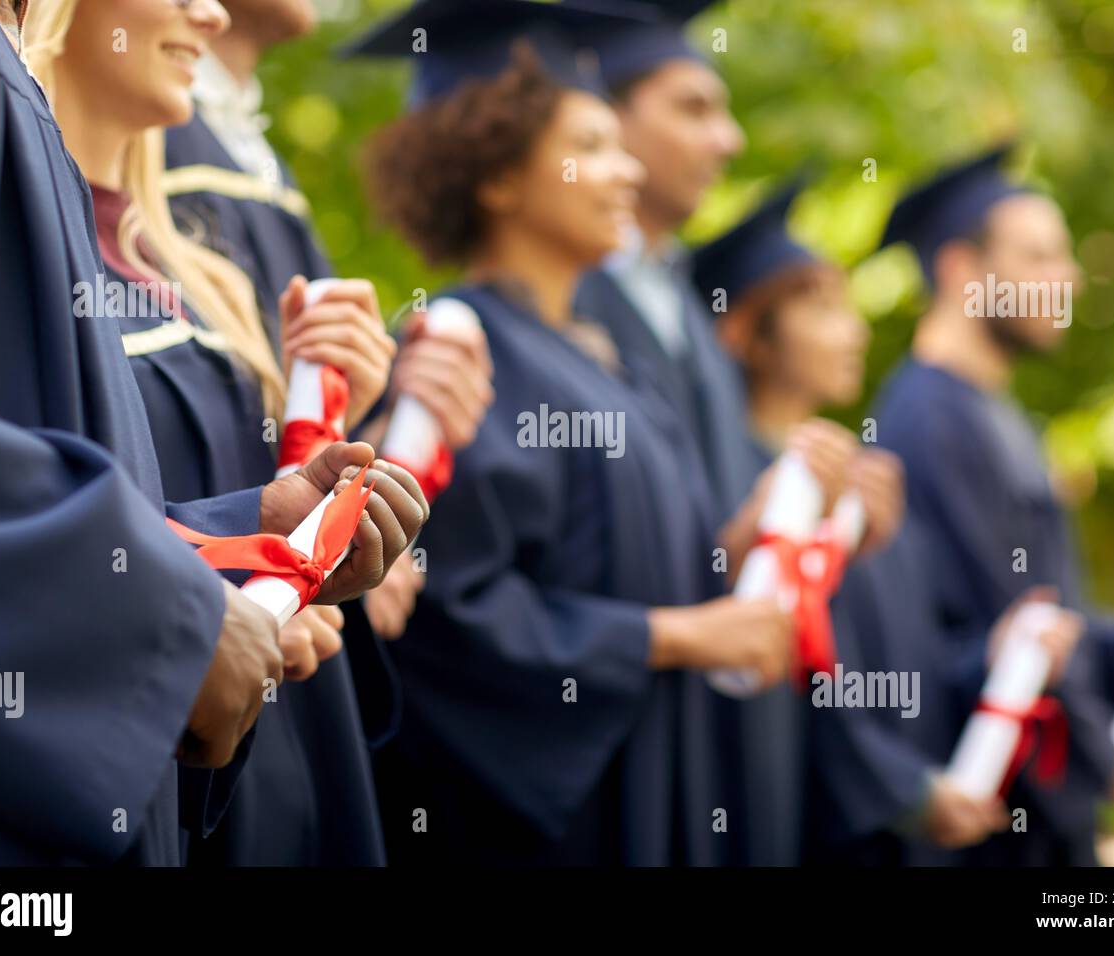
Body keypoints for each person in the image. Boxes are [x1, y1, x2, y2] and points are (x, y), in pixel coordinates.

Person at [0, 0, 420, 866]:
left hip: (220, 757)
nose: (212, 12)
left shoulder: (180, 266)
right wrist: (177, 615)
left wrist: (252, 538)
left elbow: (115, 501)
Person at [345, 0, 796, 865]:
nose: (625, 170)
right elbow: (450, 609)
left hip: (655, 779)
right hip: (560, 823)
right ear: (498, 179)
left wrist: (737, 547)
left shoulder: (606, 355)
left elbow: (624, 559)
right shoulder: (461, 353)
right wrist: (675, 638)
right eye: (589, 148)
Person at [160, 0, 494, 760]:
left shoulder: (257, 163)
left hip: (286, 636)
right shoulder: (137, 137)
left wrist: (364, 448)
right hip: (201, 626)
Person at [873, 144, 1114, 864]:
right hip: (990, 828)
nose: (1068, 279)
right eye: (1038, 259)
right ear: (962, 273)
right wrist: (1105, 759)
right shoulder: (930, 423)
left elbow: (1053, 621)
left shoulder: (996, 415)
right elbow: (1008, 633)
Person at [573, 0, 855, 865]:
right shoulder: (566, 310)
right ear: (604, 120)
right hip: (620, 778)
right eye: (693, 108)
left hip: (726, 746)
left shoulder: (688, 312)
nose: (727, 141)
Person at [691, 176, 1016, 864]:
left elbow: (909, 661)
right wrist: (905, 791)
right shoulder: (725, 488)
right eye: (823, 309)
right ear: (745, 332)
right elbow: (788, 695)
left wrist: (994, 656)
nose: (855, 330)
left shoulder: (864, 486)